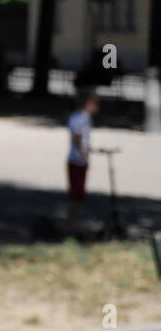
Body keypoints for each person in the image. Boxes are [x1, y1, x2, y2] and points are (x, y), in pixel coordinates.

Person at [66, 90, 99, 237]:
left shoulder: (78, 116)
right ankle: (71, 228)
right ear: (88, 104)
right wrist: (85, 156)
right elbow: (78, 138)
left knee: (77, 196)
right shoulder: (82, 118)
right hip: (78, 160)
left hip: (75, 159)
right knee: (76, 196)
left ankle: (73, 226)